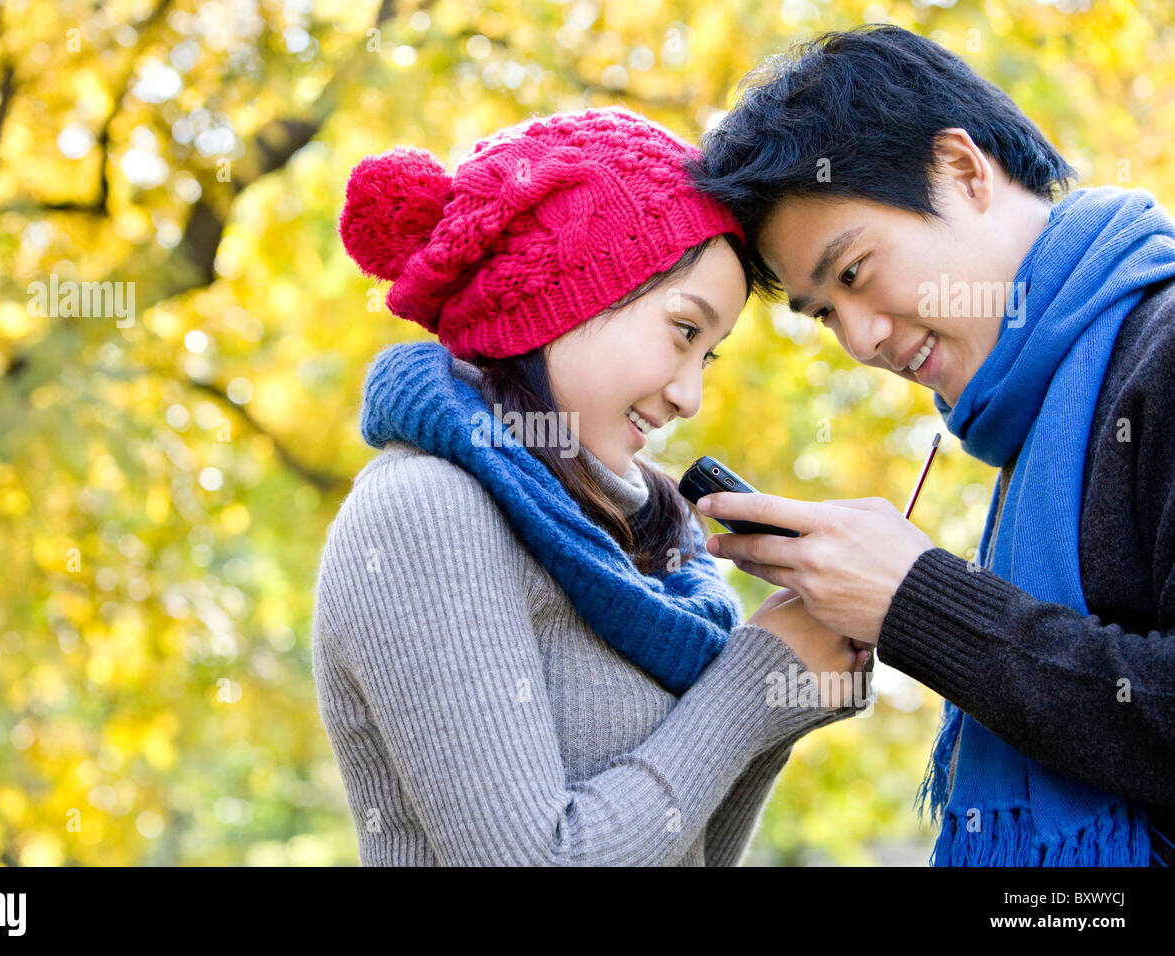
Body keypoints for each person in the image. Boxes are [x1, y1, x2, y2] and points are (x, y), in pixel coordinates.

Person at [311, 106, 872, 866]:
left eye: (709, 356)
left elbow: (691, 852)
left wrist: (796, 686)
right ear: (562, 295)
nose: (688, 395)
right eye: (683, 331)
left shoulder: (645, 539)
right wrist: (757, 677)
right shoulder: (426, 509)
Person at [688, 24, 1175, 866]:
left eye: (853, 275)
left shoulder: (1161, 353)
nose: (862, 339)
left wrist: (917, 602)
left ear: (962, 170)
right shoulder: (1033, 423)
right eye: (825, 314)